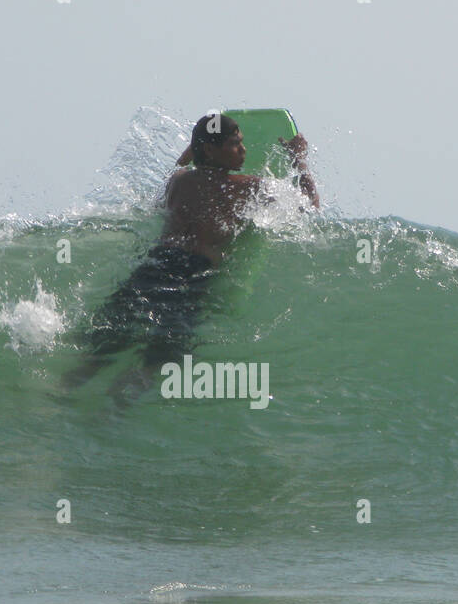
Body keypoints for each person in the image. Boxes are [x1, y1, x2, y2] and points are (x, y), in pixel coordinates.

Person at [63, 113, 320, 401]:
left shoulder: (178, 182)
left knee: (99, 355)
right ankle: (111, 413)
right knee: (158, 362)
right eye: (235, 143)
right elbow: (309, 206)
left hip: (151, 269)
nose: (243, 149)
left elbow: (173, 176)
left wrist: (194, 150)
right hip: (189, 279)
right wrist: (299, 160)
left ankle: (55, 400)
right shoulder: (244, 187)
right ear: (211, 150)